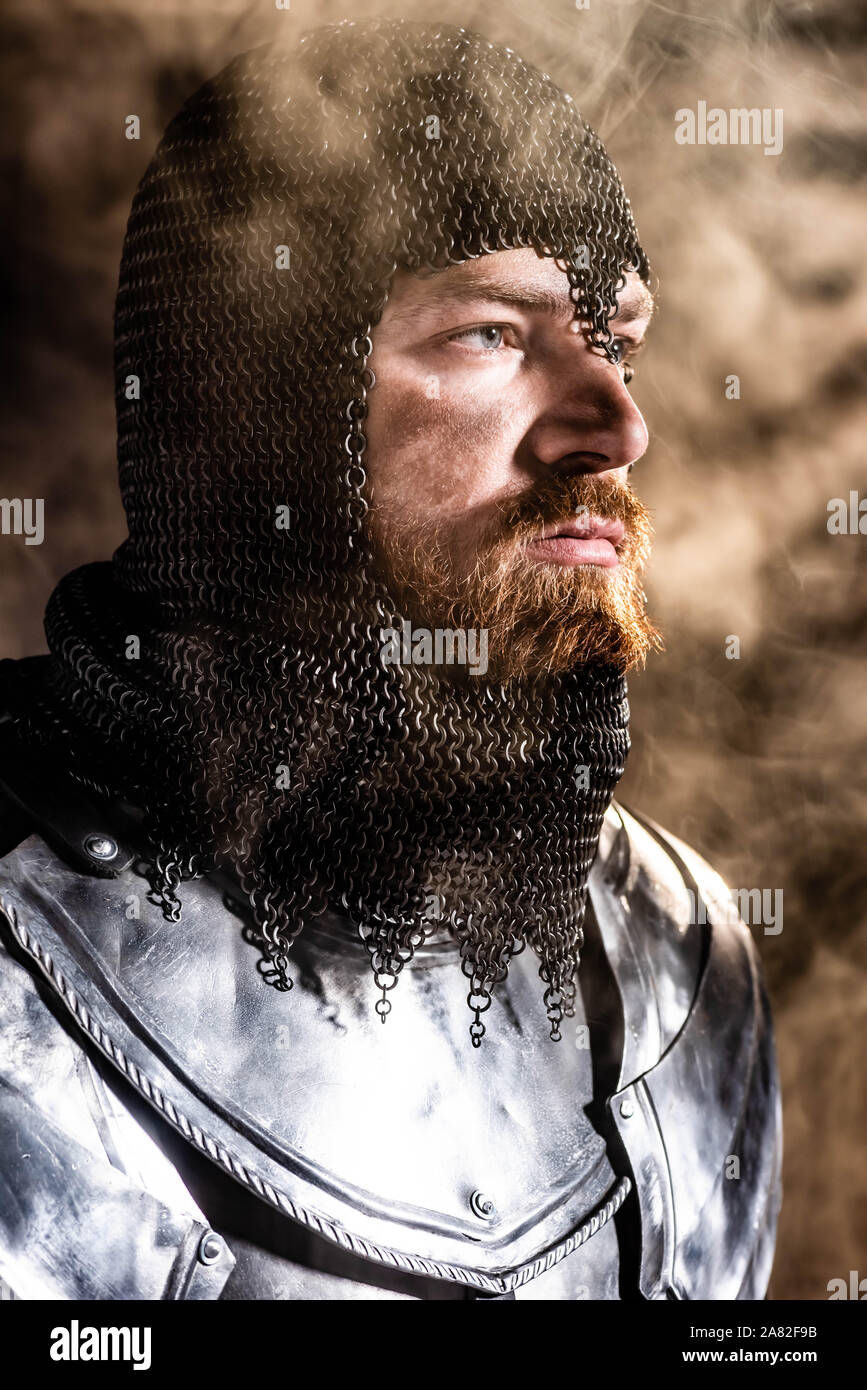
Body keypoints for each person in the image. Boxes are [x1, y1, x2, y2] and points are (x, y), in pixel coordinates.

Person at [0, 19, 781, 1301]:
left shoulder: (683, 974)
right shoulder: (25, 983)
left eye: (619, 343)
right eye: (493, 335)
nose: (616, 424)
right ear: (255, 401)